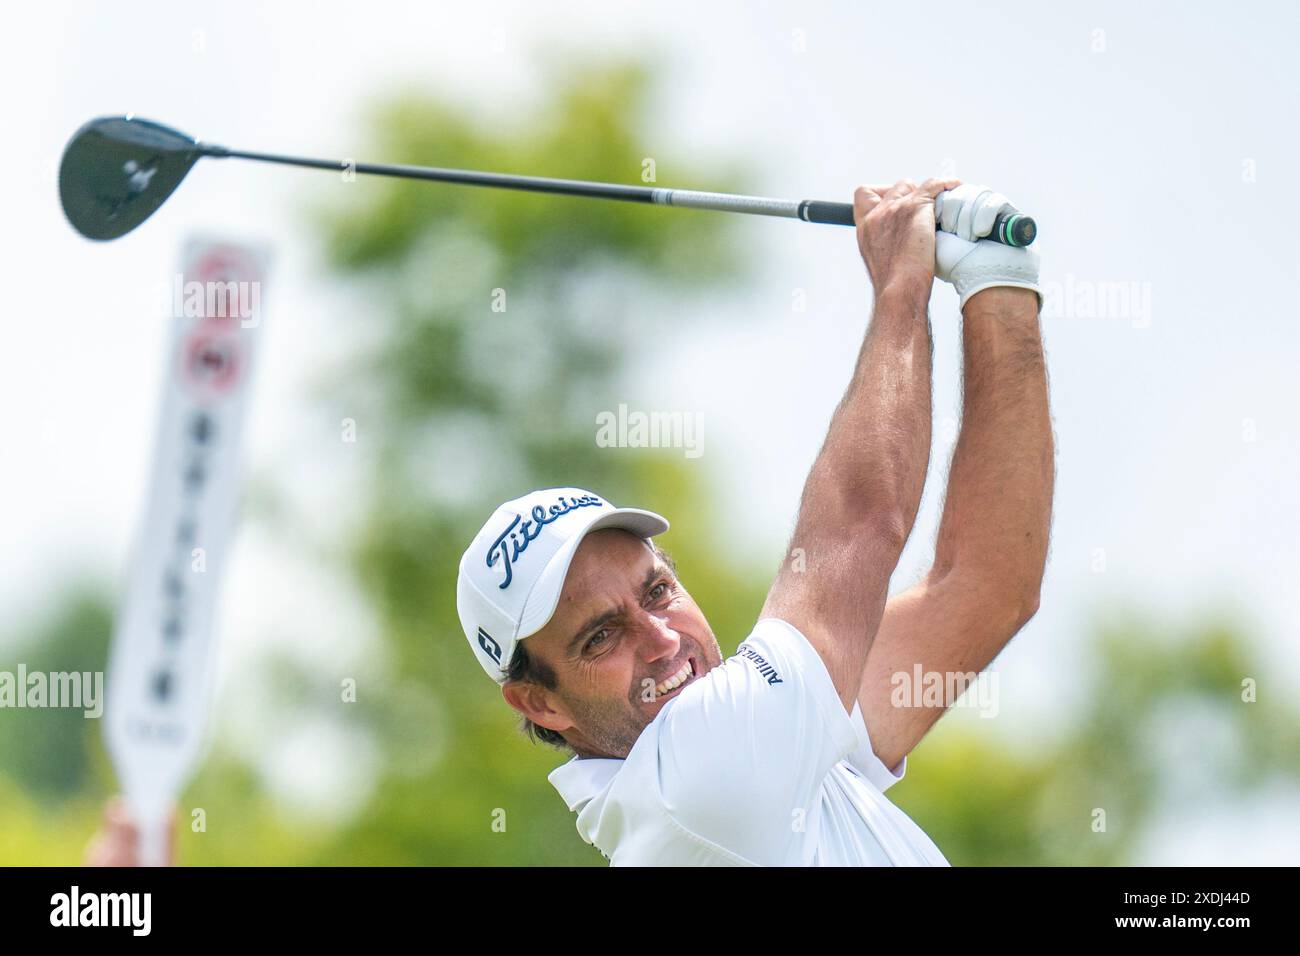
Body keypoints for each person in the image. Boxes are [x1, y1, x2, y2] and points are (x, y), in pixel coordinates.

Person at [456, 179, 1054, 865]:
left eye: (656, 592)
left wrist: (996, 284)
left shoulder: (765, 752)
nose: (658, 639)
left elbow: (986, 586)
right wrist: (901, 283)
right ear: (540, 705)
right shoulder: (697, 786)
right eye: (600, 637)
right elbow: (862, 522)